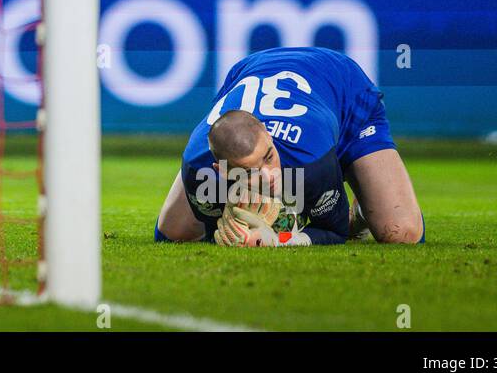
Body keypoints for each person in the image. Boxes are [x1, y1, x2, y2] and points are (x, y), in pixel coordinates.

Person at [155, 46, 424, 247]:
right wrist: (239, 231)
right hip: (249, 72)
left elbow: (334, 231)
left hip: (343, 89)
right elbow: (227, 236)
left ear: (270, 139)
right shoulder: (199, 168)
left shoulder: (310, 158)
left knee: (401, 233)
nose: (269, 176)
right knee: (174, 234)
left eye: (268, 158)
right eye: (249, 171)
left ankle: (364, 207)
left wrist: (279, 239)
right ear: (220, 169)